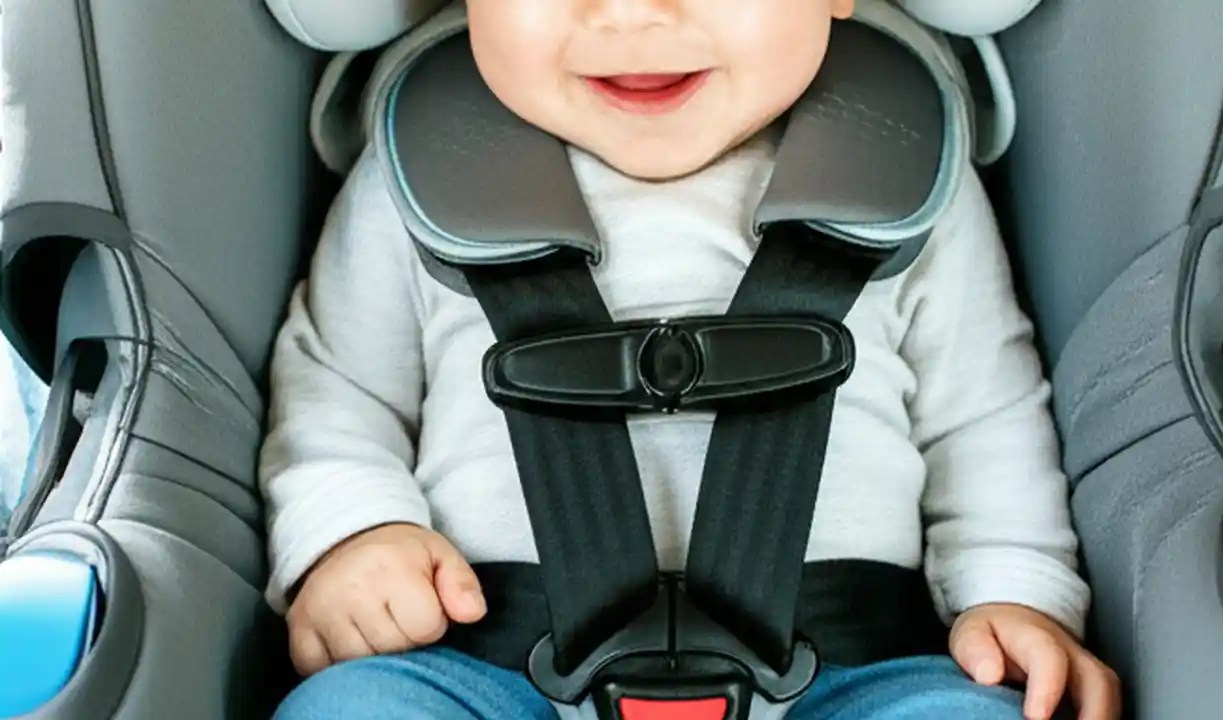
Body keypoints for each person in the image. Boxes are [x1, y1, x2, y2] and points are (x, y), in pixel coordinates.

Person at [260, 1, 1121, 717]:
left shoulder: (907, 171)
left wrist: (1015, 593)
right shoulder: (420, 168)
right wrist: (352, 532)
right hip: (484, 669)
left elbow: (984, 416)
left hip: (853, 675)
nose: (634, 16)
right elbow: (339, 387)